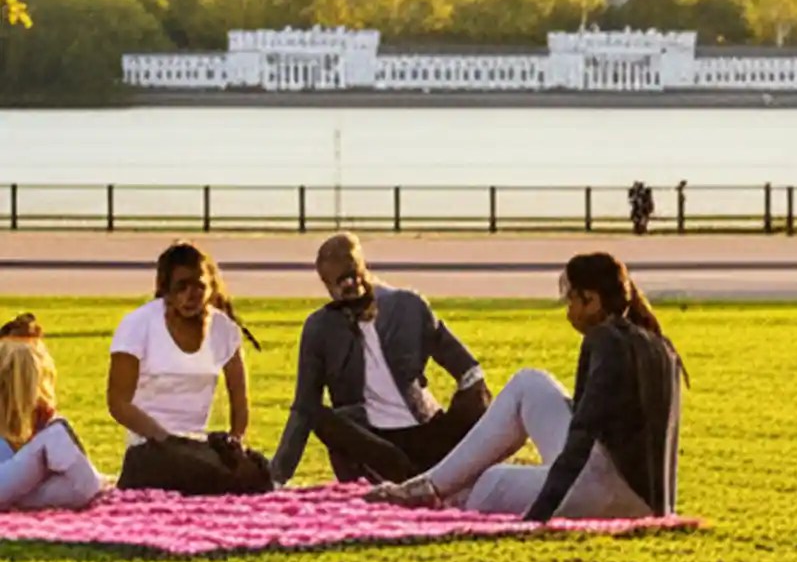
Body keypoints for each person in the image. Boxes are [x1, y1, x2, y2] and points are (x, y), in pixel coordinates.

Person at [366, 252, 688, 523]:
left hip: (610, 495)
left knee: (488, 483)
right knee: (529, 383)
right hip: (645, 501)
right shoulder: (660, 346)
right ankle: (432, 485)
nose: (568, 311)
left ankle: (430, 488)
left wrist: (539, 515)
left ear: (591, 300)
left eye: (571, 299)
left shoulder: (605, 339)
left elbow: (581, 435)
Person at [269, 233, 492, 487]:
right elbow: (304, 408)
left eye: (354, 273)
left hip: (427, 430)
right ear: (328, 286)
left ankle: (459, 469)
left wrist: (473, 399)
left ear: (364, 266)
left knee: (478, 391)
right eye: (340, 281)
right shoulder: (320, 329)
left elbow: (468, 369)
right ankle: (401, 477)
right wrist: (277, 476)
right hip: (374, 443)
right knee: (318, 416)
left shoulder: (409, 306)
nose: (351, 285)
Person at [106, 241, 272, 495]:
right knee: (197, 468)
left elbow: (240, 400)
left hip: (198, 446)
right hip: (151, 446)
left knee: (259, 470)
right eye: (181, 287)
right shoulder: (137, 324)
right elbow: (118, 403)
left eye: (199, 286)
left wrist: (235, 442)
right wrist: (166, 440)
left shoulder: (224, 329)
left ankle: (221, 479)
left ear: (211, 287)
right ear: (166, 290)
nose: (191, 295)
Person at [0, 314, 102, 510]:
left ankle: (15, 503)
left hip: (17, 489)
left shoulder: (38, 416)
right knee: (56, 435)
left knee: (58, 439)